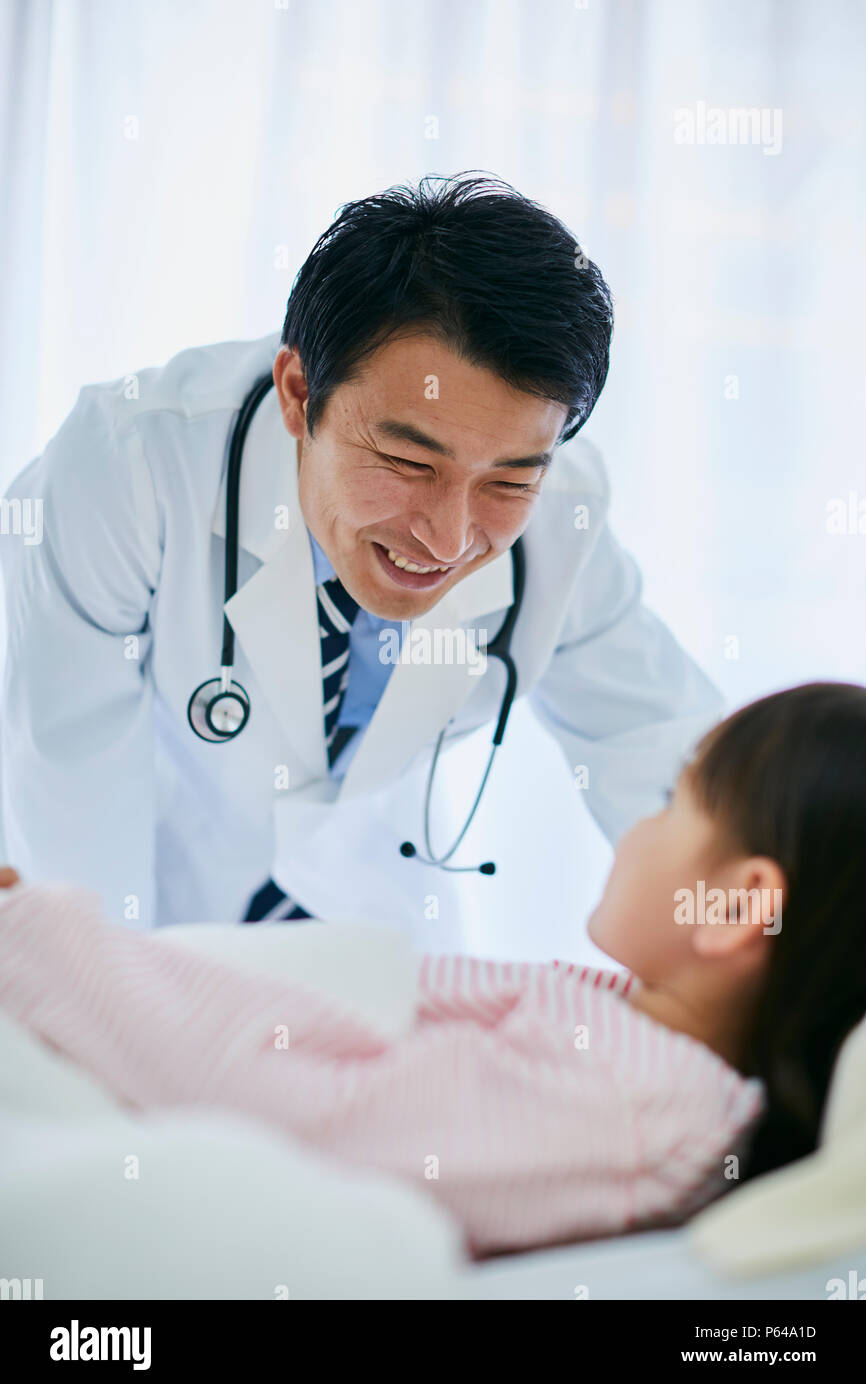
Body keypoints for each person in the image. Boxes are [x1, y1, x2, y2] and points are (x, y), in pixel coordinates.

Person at [0, 173, 722, 932]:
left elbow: (675, 762)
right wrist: (118, 1015)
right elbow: (70, 817)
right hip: (145, 888)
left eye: (509, 479)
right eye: (410, 465)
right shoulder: (130, 469)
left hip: (372, 917)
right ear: (297, 392)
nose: (447, 539)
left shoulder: (562, 523)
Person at [2, 683, 863, 1257]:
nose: (639, 825)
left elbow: (300, 1109)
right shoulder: (621, 1040)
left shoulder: (639, 1105)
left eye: (678, 799)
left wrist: (37, 936)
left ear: (738, 909)